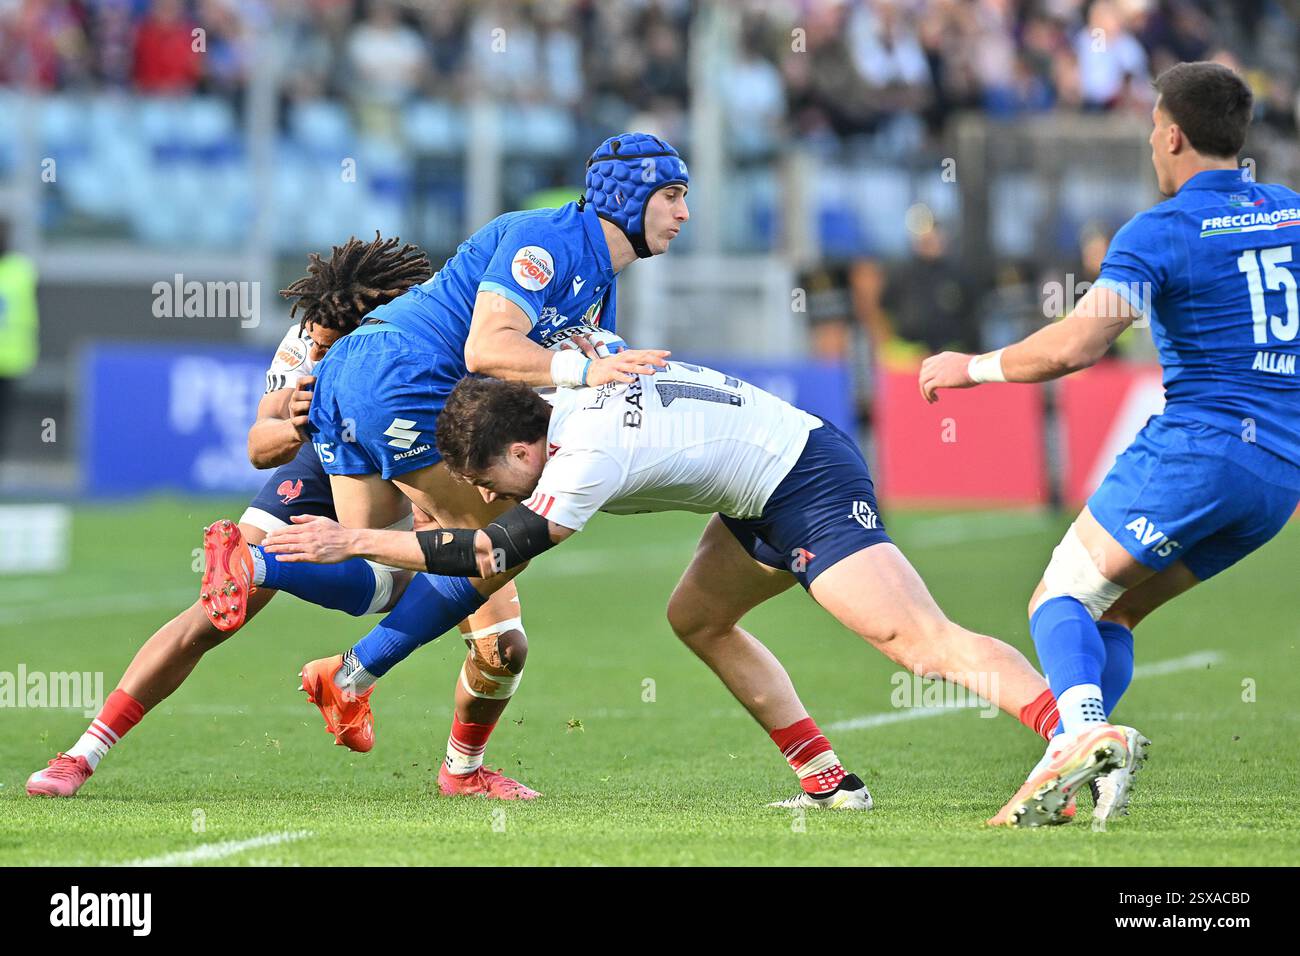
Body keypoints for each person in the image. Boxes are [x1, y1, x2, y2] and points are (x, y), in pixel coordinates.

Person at [262, 364, 1064, 809]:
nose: (493, 493)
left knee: (918, 644)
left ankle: (1070, 737)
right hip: (758, 491)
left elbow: (490, 555)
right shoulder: (564, 391)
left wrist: (355, 539)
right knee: (699, 618)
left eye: (489, 477)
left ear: (520, 444)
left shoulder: (583, 457)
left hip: (805, 484)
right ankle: (828, 780)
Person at [200, 133, 686, 799]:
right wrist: (586, 370)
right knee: (505, 545)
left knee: (376, 567)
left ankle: (261, 574)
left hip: (355, 374)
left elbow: (562, 378)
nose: (683, 213)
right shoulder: (550, 243)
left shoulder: (598, 281)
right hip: (407, 377)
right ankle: (356, 683)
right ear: (628, 197)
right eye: (672, 195)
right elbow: (489, 349)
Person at [919, 61, 1300, 826]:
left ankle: (1082, 737)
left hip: (1201, 449)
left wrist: (972, 367)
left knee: (1058, 594)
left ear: (1171, 135)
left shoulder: (1160, 231)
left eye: (1153, 131)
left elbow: (1076, 347)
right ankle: (1076, 762)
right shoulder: (1290, 212)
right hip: (1279, 475)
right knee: (1112, 614)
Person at [25, 235, 428, 798]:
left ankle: (399, 714)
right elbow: (259, 445)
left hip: (410, 463)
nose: (318, 355)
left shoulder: (424, 340)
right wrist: (293, 421)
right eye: (316, 342)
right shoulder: (308, 338)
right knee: (216, 612)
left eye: (331, 348)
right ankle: (81, 755)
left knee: (458, 596)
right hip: (324, 459)